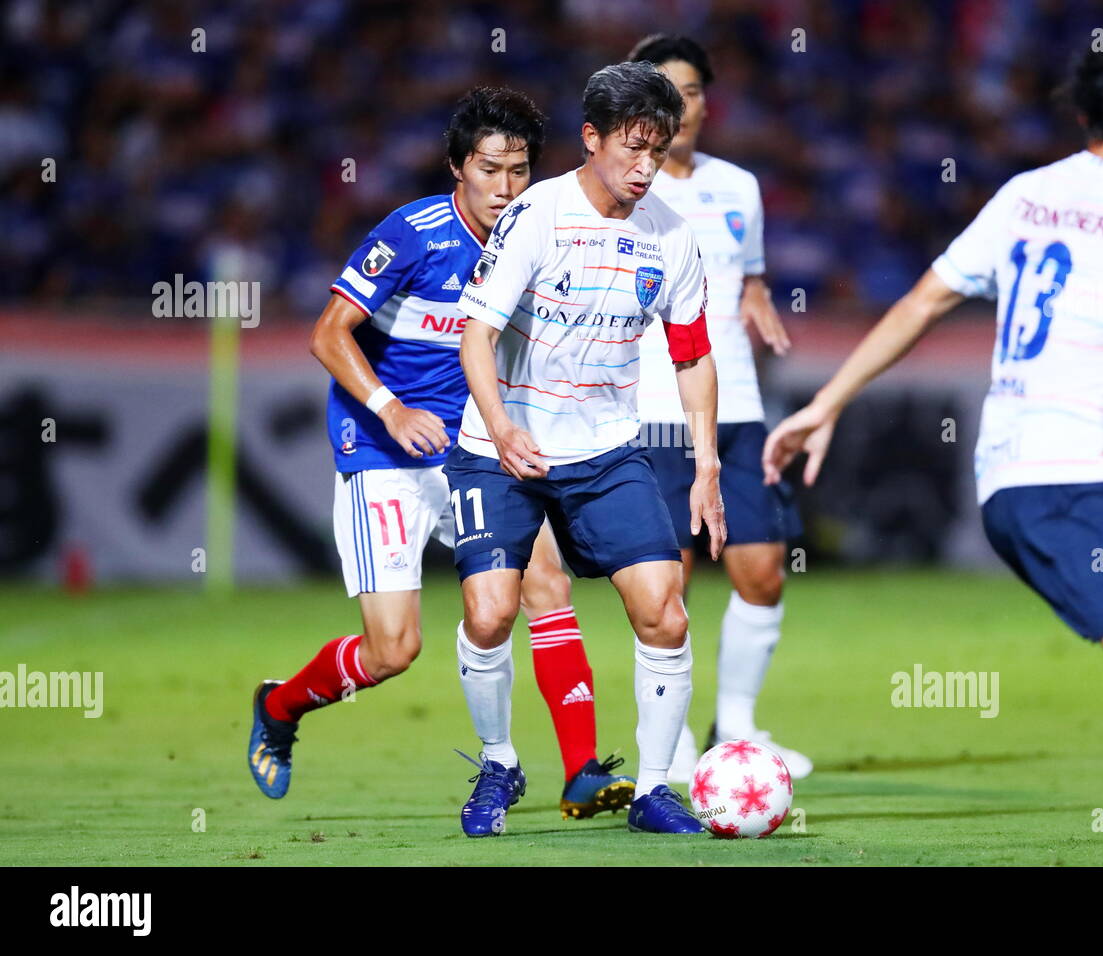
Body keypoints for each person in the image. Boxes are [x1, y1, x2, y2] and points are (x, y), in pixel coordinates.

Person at [763, 18, 1103, 867]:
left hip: (1052, 478)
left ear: (1083, 114)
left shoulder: (1025, 194)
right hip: (1067, 480)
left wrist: (827, 401)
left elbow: (922, 302)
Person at [246, 87, 635, 822]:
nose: (505, 186)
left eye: (519, 169)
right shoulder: (413, 233)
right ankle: (281, 704)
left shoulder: (541, 230)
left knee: (545, 582)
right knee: (393, 651)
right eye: (489, 169)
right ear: (457, 166)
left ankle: (573, 769)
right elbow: (328, 334)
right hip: (385, 446)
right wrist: (392, 409)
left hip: (475, 445)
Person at [448, 61, 726, 836]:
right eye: (631, 149)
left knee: (665, 613)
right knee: (492, 612)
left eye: (659, 151)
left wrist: (705, 464)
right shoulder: (537, 214)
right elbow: (478, 336)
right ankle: (500, 762)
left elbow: (693, 356)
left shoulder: (670, 236)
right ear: (591, 138)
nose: (645, 168)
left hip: (605, 453)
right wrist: (501, 427)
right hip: (501, 447)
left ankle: (655, 791)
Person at [623, 34, 810, 782]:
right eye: (667, 92)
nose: (684, 105)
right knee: (669, 587)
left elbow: (749, 274)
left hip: (738, 410)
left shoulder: (740, 187)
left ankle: (736, 728)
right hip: (655, 413)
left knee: (763, 570)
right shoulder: (622, 192)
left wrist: (759, 294)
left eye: (694, 90)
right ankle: (665, 748)